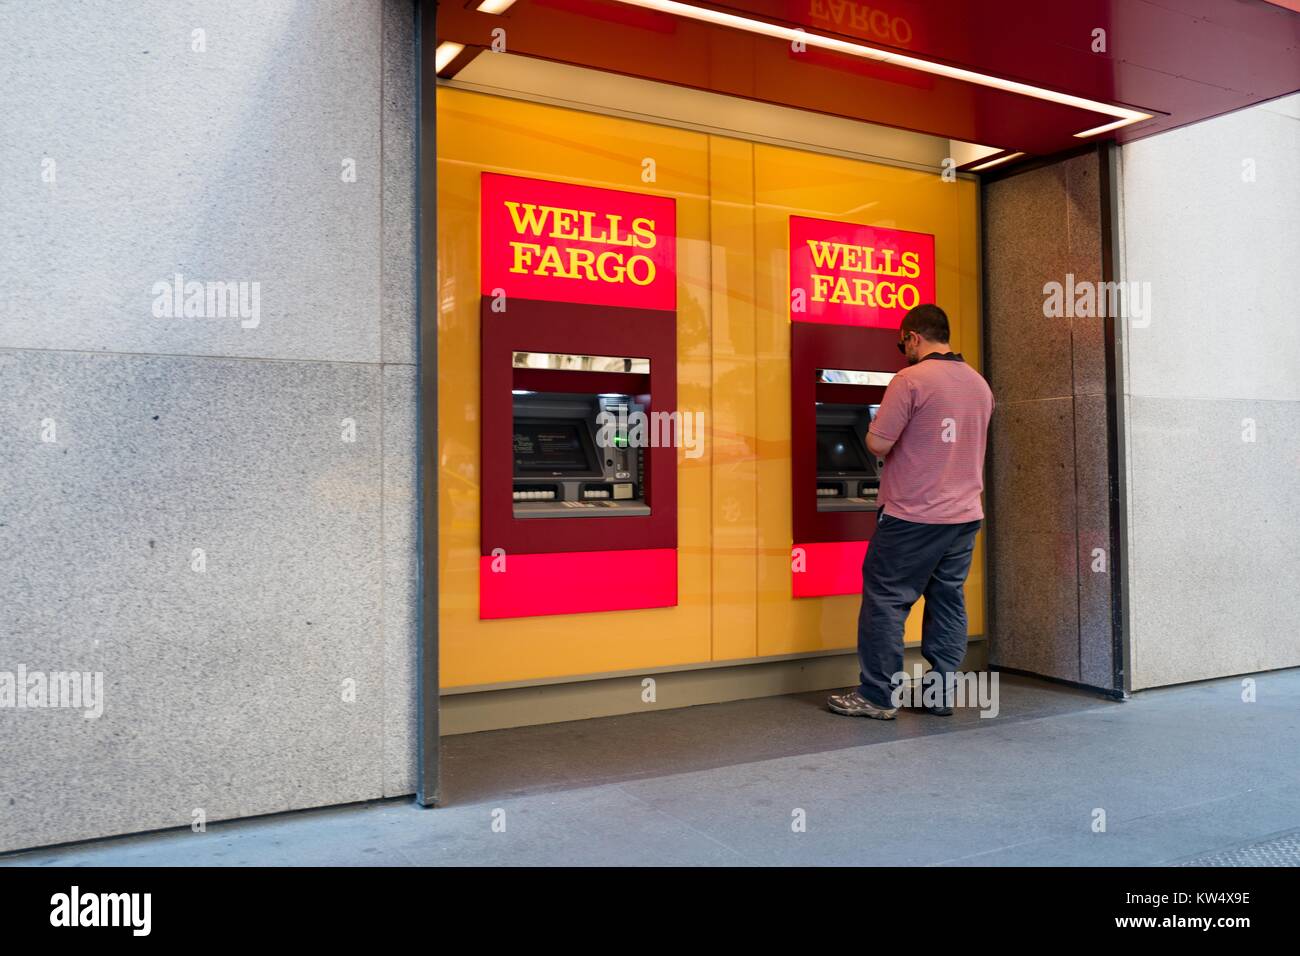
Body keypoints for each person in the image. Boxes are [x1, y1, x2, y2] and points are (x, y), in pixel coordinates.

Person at [827, 303, 993, 719]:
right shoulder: (979, 384)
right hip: (965, 515)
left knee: (886, 599)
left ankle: (877, 695)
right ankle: (939, 694)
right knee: (948, 599)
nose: (903, 349)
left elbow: (878, 444)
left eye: (903, 342)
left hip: (914, 515)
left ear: (913, 337)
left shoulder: (910, 379)